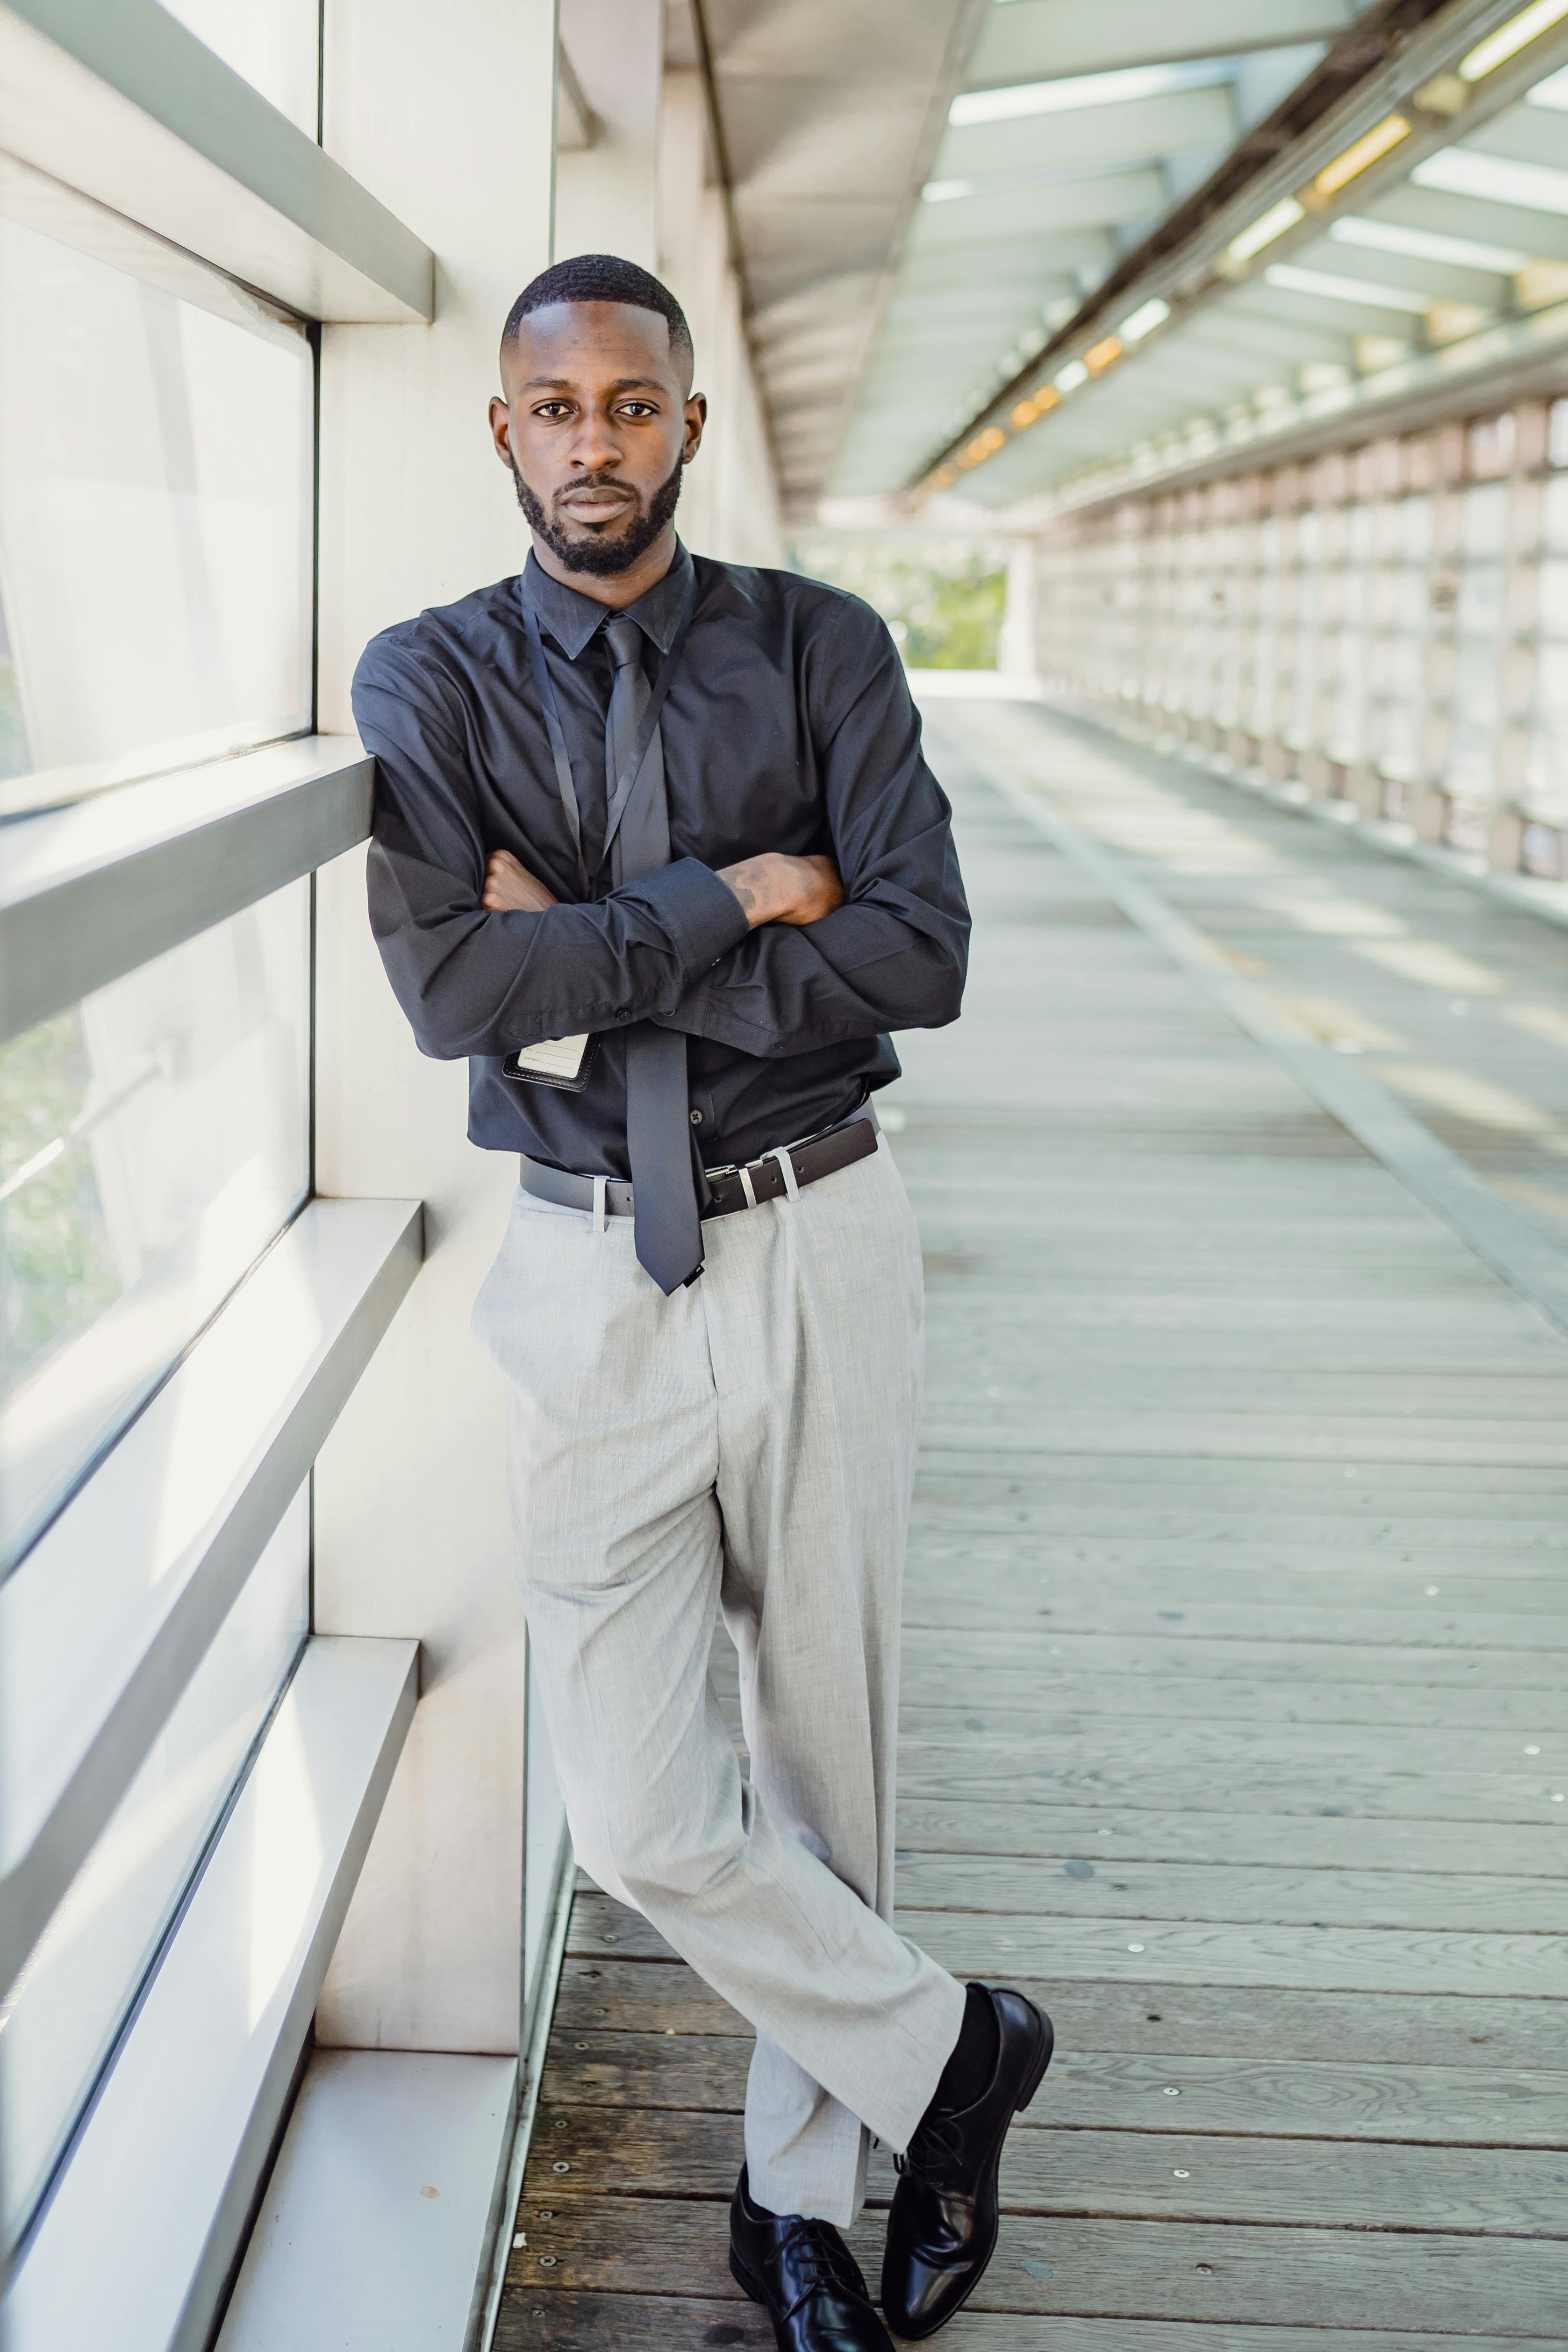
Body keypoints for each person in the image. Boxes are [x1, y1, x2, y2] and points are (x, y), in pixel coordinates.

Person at [353, 252, 1051, 2350]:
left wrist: (598, 956)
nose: (594, 441)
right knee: (648, 1805)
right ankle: (952, 2051)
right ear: (503, 428)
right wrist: (741, 894)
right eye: (553, 408)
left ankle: (796, 2203)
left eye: (630, 405)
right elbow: (453, 994)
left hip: (818, 1224)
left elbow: (916, 952)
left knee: (826, 1747)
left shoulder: (820, 648)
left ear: (684, 420)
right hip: (586, 1278)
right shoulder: (428, 680)